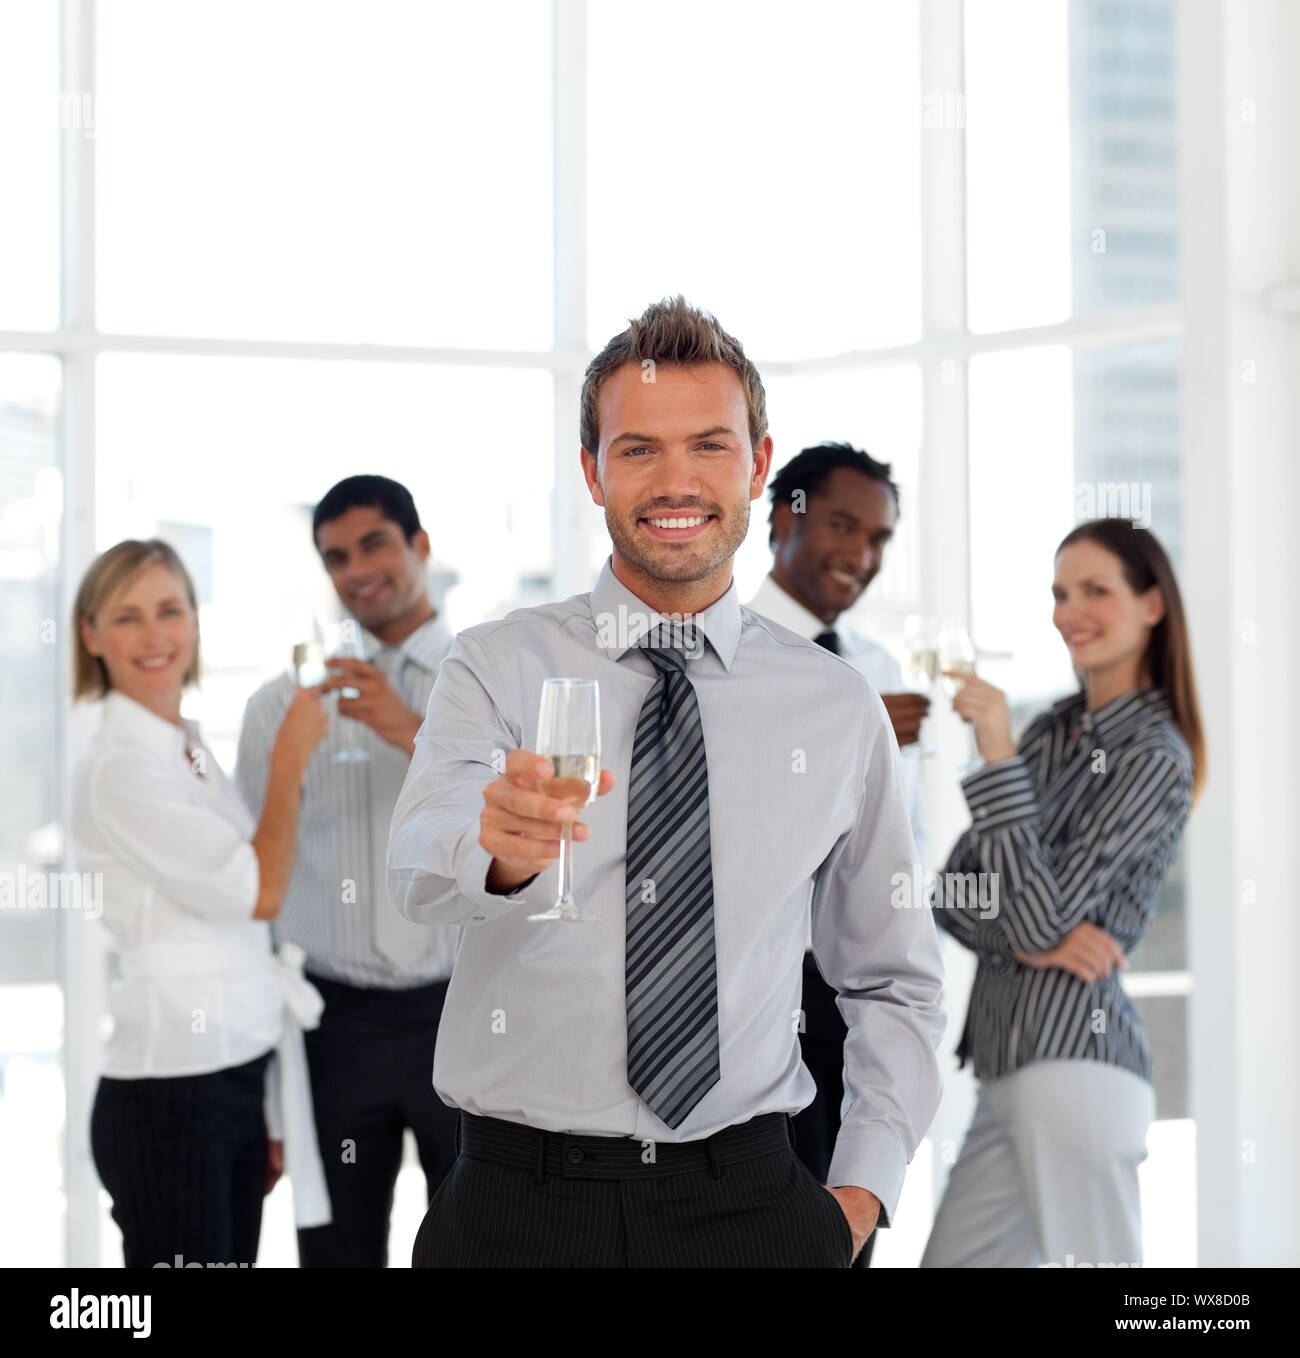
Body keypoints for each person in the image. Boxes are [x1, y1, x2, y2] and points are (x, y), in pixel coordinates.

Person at [388, 295, 945, 1268]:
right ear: (593, 470)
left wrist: (860, 1189)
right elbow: (416, 870)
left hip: (751, 1204)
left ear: (760, 466)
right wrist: (498, 849)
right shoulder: (496, 665)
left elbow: (891, 975)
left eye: (710, 445)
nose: (675, 479)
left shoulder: (837, 705)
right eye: (638, 448)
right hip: (519, 1209)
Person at [920, 517, 1204, 1268]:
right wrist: (1022, 935)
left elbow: (1046, 911)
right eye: (1059, 593)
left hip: (1077, 1063)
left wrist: (997, 753)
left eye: (1095, 590)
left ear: (1151, 605)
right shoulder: (1049, 731)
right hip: (1004, 1067)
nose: (1069, 611)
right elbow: (950, 893)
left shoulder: (1154, 755)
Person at [71, 538, 330, 1269]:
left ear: (193, 622)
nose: (155, 636)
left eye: (170, 610)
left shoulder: (184, 749)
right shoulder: (121, 769)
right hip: (171, 1095)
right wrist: (288, 756)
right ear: (90, 635)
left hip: (232, 1078)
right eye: (127, 617)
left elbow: (244, 938)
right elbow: (261, 891)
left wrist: (264, 1108)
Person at [236, 475, 461, 1268]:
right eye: (336, 556)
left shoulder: (491, 688)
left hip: (464, 1022)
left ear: (420, 547)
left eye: (375, 544)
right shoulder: (278, 710)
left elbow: (552, 816)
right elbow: (250, 879)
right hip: (334, 1028)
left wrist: (417, 730)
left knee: (477, 1247)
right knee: (335, 1254)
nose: (357, 569)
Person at [748, 441, 929, 1269]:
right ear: (785, 517)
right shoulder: (721, 660)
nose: (860, 555)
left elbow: (898, 855)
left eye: (880, 538)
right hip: (749, 995)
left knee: (839, 1244)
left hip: (850, 1002)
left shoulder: (879, 675)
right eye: (842, 525)